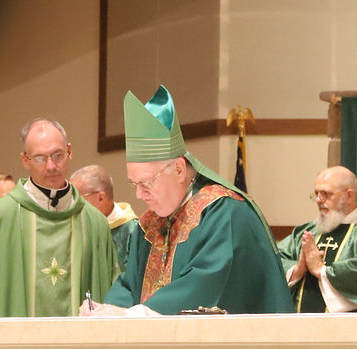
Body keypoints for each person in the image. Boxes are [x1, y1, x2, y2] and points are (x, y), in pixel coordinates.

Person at [91, 86, 292, 315]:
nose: (138, 195)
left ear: (178, 169)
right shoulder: (151, 223)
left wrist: (135, 315)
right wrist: (105, 311)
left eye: (146, 183)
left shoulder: (225, 213)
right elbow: (130, 285)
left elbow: (208, 283)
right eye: (134, 184)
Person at [0, 118, 117, 318]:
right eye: (39, 158)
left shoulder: (94, 223)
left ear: (70, 151)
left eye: (58, 155)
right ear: (25, 160)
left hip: (78, 347)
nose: (51, 166)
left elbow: (112, 298)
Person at [274, 166, 357, 313]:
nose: (319, 200)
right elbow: (274, 263)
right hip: (298, 330)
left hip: (349, 331)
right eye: (316, 194)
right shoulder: (304, 233)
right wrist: (297, 269)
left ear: (349, 196)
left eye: (326, 194)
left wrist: (322, 271)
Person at [70, 164, 141, 272]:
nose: (73, 205)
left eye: (77, 199)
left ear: (100, 198)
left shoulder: (134, 231)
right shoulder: (76, 227)